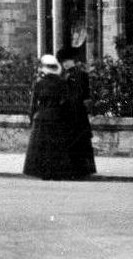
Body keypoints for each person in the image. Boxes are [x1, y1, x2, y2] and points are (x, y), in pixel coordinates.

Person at [23, 54, 73, 180]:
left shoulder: (40, 84)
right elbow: (66, 102)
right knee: (56, 146)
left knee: (42, 147)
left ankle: (44, 172)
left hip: (42, 118)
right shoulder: (62, 83)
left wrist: (31, 119)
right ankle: (56, 173)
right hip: (57, 117)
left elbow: (33, 104)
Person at [59, 49, 97, 179]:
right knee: (72, 142)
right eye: (63, 61)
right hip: (69, 113)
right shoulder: (64, 75)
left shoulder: (80, 74)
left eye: (67, 61)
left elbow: (81, 93)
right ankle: (72, 170)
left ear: (72, 60)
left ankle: (82, 170)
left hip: (78, 113)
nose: (65, 64)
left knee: (80, 142)